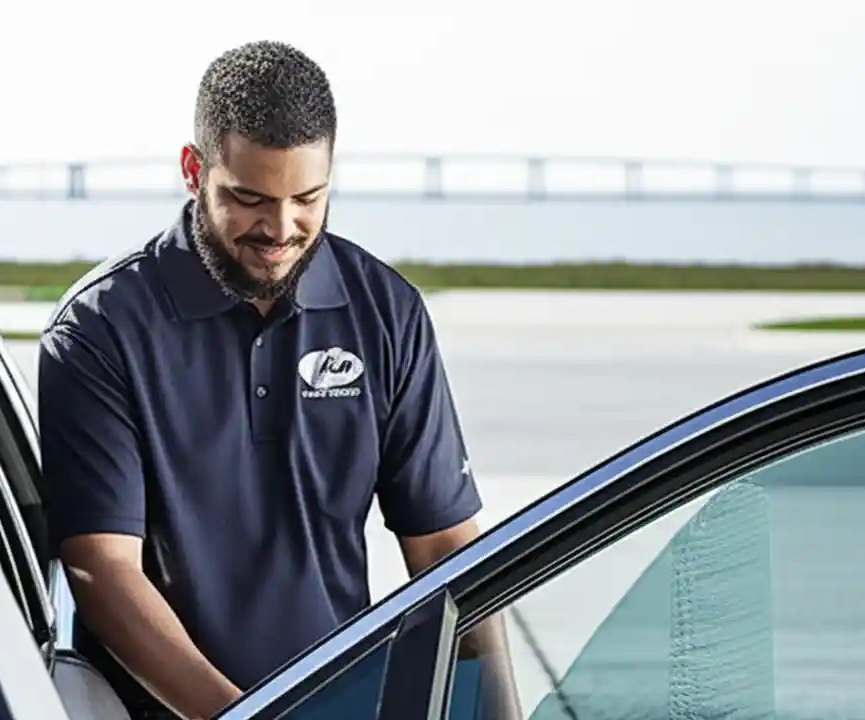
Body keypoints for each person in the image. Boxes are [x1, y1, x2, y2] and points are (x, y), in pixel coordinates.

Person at [37, 40, 520, 720]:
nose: (280, 228)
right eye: (249, 198)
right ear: (193, 170)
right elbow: (103, 568)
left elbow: (446, 549)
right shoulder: (101, 328)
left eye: (307, 198)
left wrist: (498, 712)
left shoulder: (386, 313)